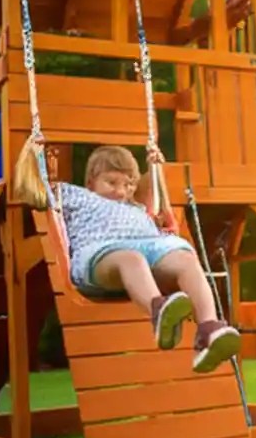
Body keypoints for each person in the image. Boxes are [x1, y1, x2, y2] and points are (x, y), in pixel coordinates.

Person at [43, 145, 241, 373]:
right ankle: (158, 309)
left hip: (149, 252)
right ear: (90, 182)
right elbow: (38, 188)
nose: (120, 191)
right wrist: (41, 158)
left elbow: (148, 186)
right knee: (131, 258)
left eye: (128, 185)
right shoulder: (78, 195)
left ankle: (208, 329)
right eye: (111, 182)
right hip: (100, 254)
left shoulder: (137, 207)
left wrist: (154, 166)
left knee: (186, 259)